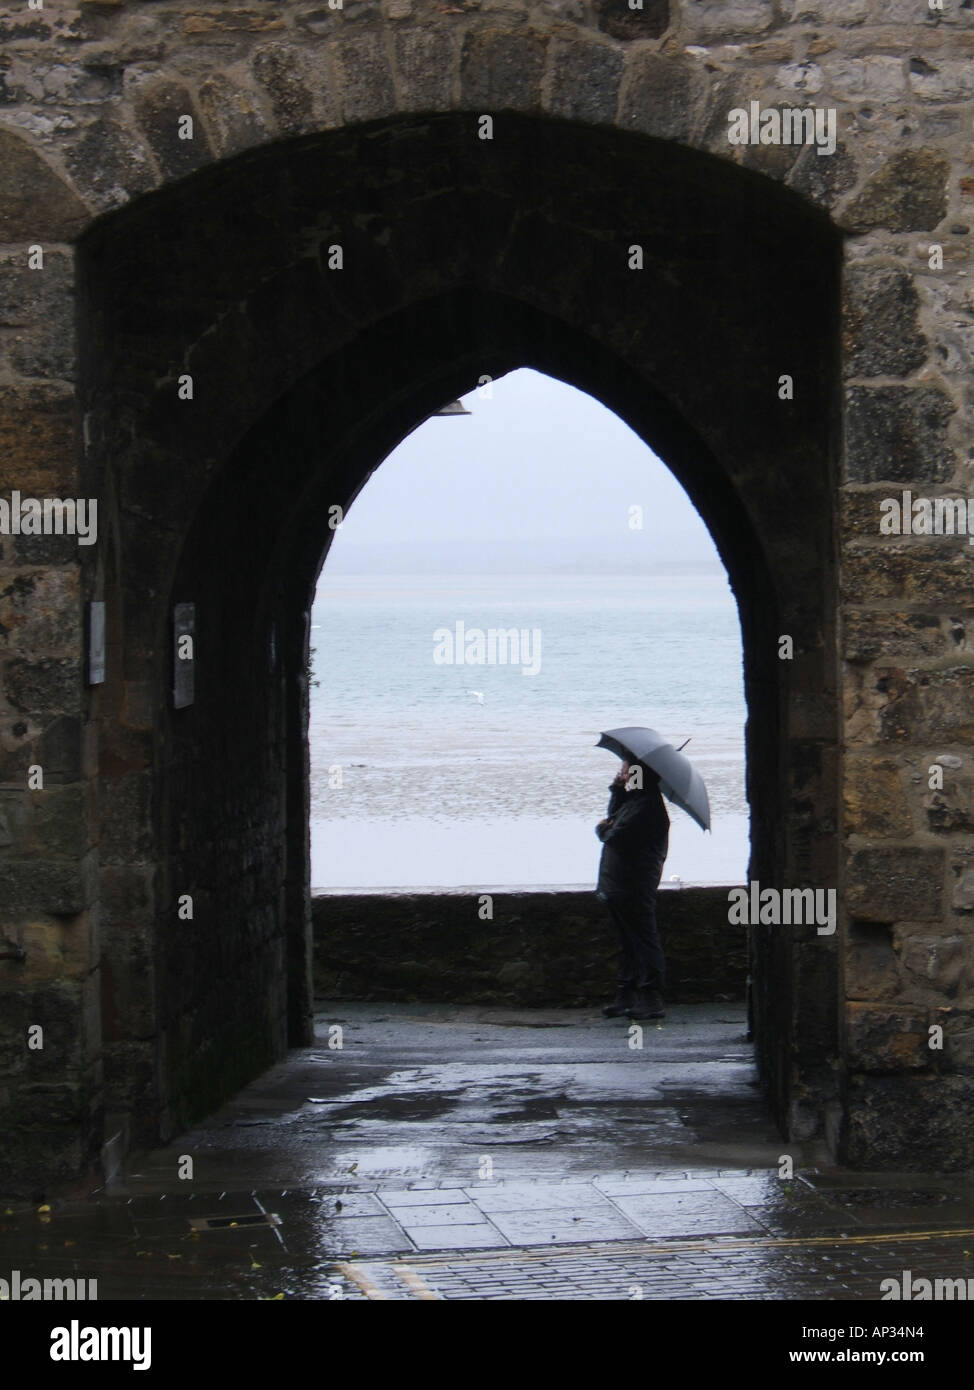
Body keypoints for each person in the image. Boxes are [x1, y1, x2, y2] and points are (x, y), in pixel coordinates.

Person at [595, 759, 669, 1020]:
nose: (622, 773)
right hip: (619, 884)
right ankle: (626, 994)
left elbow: (616, 835)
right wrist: (617, 790)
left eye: (626, 769)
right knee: (628, 943)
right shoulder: (635, 801)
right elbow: (615, 817)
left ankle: (651, 997)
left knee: (644, 941)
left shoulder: (647, 806)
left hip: (634, 885)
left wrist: (601, 829)